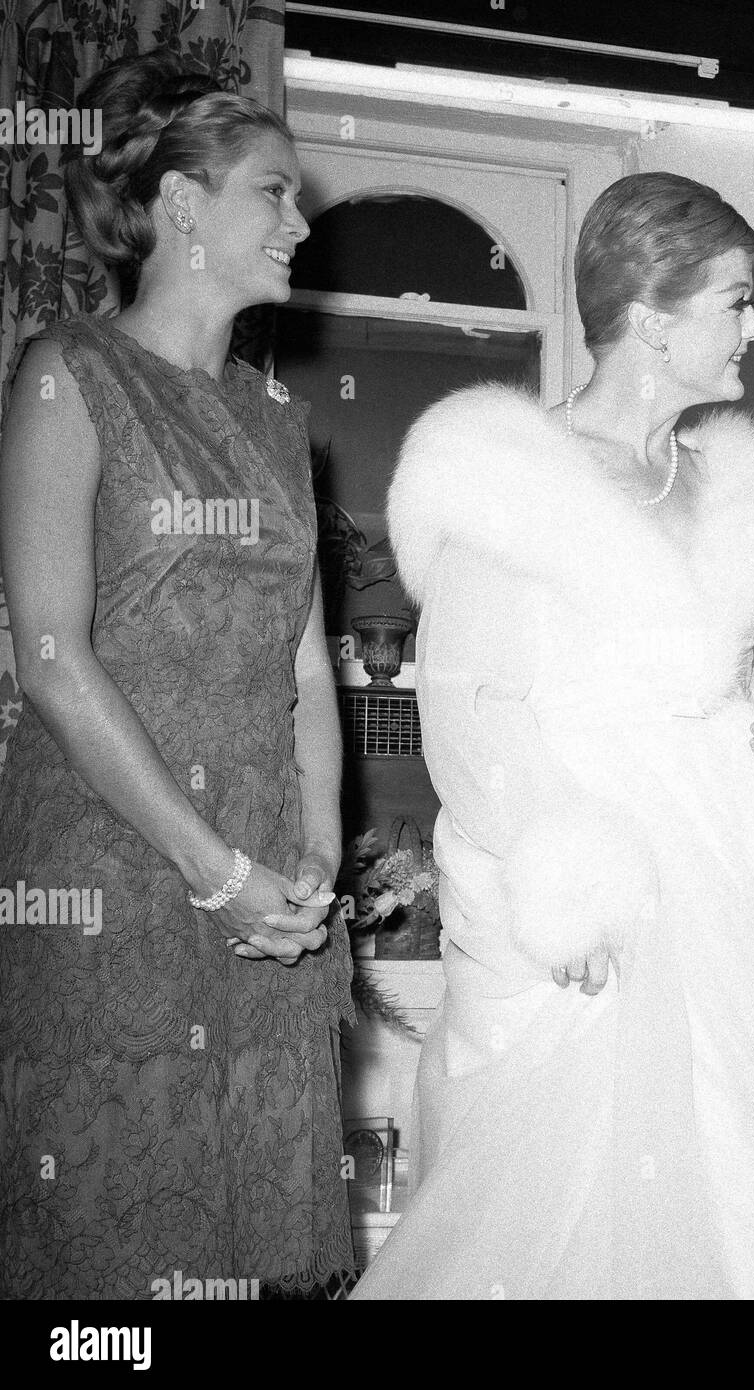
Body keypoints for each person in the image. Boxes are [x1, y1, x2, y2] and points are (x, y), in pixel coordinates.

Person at [351, 172, 754, 1299]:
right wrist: (565, 882)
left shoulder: (741, 486)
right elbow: (466, 719)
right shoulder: (507, 477)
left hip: (740, 882)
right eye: (733, 300)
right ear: (653, 318)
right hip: (587, 877)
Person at [0, 50, 354, 1297]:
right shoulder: (68, 372)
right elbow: (50, 659)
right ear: (183, 207)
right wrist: (217, 875)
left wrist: (310, 855)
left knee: (245, 1241)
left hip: (264, 873)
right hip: (117, 865)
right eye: (275, 191)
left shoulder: (274, 421)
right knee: (111, 1246)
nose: (301, 223)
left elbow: (308, 670)